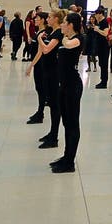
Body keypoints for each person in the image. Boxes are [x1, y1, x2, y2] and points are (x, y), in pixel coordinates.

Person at [50, 11, 83, 173]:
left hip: (73, 86)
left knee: (72, 123)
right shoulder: (66, 38)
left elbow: (70, 45)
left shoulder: (78, 39)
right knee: (66, 122)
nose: (62, 25)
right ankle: (66, 156)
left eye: (64, 23)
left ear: (71, 25)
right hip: (63, 85)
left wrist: (61, 37)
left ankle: (70, 162)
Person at [36, 9, 65, 149]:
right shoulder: (51, 32)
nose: (47, 19)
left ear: (56, 19)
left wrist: (40, 39)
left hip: (54, 72)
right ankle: (51, 133)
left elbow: (46, 50)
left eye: (49, 17)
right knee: (51, 103)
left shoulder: (59, 33)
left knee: (55, 105)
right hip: (47, 71)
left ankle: (54, 136)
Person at [25, 11, 50, 124]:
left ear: (43, 20)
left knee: (41, 89)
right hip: (38, 65)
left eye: (37, 18)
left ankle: (40, 113)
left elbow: (40, 52)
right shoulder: (38, 32)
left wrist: (31, 65)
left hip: (42, 65)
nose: (35, 20)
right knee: (39, 88)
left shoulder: (44, 33)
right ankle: (39, 111)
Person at [93, 6, 110, 88]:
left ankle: (104, 82)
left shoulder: (104, 22)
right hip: (99, 45)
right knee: (101, 64)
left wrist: (97, 30)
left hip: (104, 46)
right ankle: (102, 80)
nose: (95, 16)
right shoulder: (99, 22)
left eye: (96, 14)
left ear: (100, 14)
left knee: (104, 64)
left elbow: (105, 33)